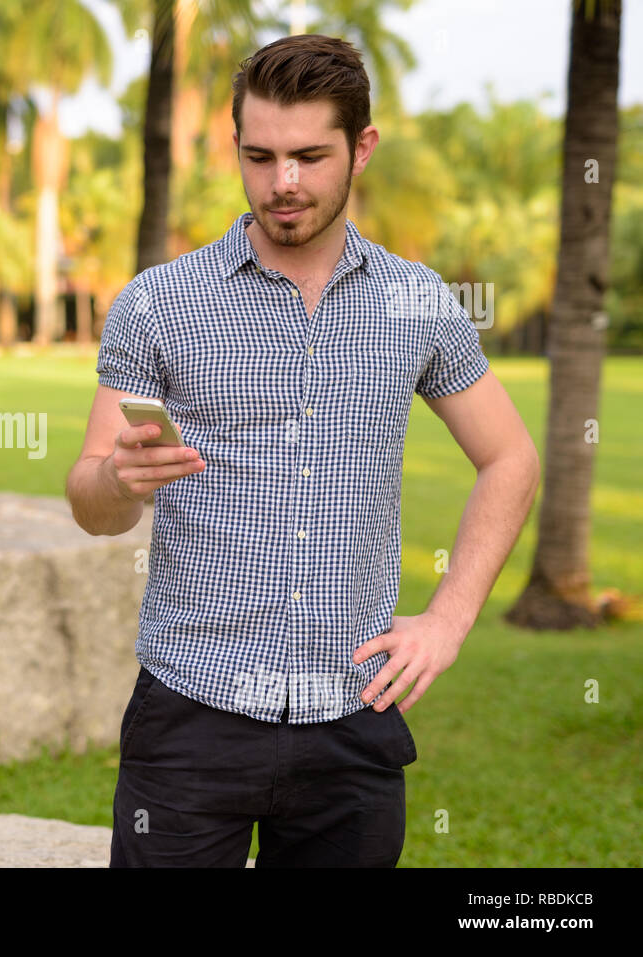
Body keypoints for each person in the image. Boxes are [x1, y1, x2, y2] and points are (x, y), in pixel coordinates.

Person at [66, 34, 540, 867]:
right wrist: (117, 479)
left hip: (353, 718)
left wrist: (449, 619)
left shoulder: (417, 302)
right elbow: (90, 502)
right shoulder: (159, 303)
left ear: (362, 148)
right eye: (260, 156)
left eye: (310, 156)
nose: (282, 183)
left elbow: (511, 459)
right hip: (189, 714)